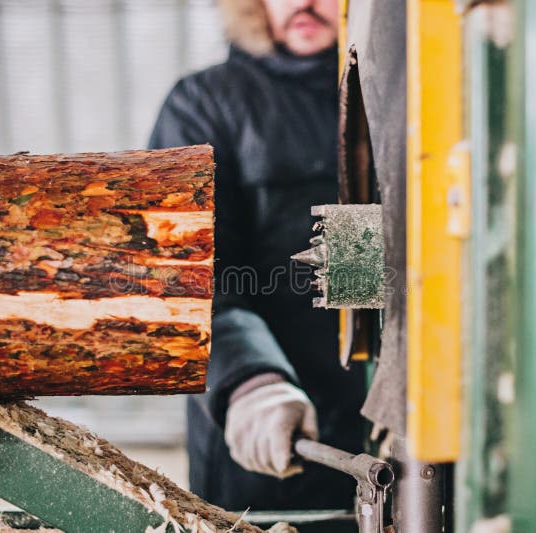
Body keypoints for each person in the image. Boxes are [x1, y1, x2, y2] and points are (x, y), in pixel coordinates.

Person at [149, 0, 366, 511]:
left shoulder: (392, 102)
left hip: (385, 433)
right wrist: (248, 378)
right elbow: (185, 276)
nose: (304, 3)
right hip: (264, 431)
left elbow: (370, 277)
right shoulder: (202, 105)